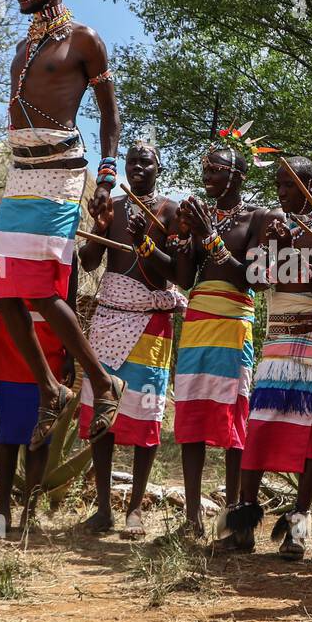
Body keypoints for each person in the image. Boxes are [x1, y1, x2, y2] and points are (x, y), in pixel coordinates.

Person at [0, 0, 122, 451]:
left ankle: (103, 380)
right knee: (5, 292)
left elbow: (110, 116)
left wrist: (107, 178)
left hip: (61, 172)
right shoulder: (22, 49)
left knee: (41, 287)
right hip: (20, 175)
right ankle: (51, 389)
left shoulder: (84, 40)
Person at [216, 156, 312, 559]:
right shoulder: (273, 226)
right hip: (277, 340)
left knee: (311, 437)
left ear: (311, 185)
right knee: (262, 427)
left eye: (291, 185)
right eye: (279, 184)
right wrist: (272, 247)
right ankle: (243, 527)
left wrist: (296, 250)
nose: (283, 193)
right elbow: (254, 282)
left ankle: (297, 528)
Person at [78, 141, 185, 538]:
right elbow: (89, 261)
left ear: (159, 166)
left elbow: (176, 271)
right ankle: (104, 507)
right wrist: (99, 229)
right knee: (101, 413)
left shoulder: (171, 211)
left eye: (146, 161)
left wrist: (146, 243)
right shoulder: (114, 206)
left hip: (151, 323)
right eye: (132, 161)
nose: (138, 167)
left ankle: (135, 508)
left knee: (145, 414)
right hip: (108, 318)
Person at [171, 145, 274, 536]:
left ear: (240, 175)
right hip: (196, 323)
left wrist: (209, 237)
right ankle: (191, 517)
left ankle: (234, 515)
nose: (207, 175)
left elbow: (254, 279)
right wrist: (185, 237)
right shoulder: (201, 215)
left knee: (234, 419)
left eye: (216, 169)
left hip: (233, 325)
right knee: (192, 415)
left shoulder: (258, 217)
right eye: (205, 168)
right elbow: (183, 279)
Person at [0, 305, 70, 538]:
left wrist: (69, 352)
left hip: (50, 342)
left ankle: (30, 510)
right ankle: (3, 510)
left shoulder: (68, 265)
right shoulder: (6, 265)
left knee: (41, 433)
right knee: (7, 433)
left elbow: (68, 300)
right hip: (9, 341)